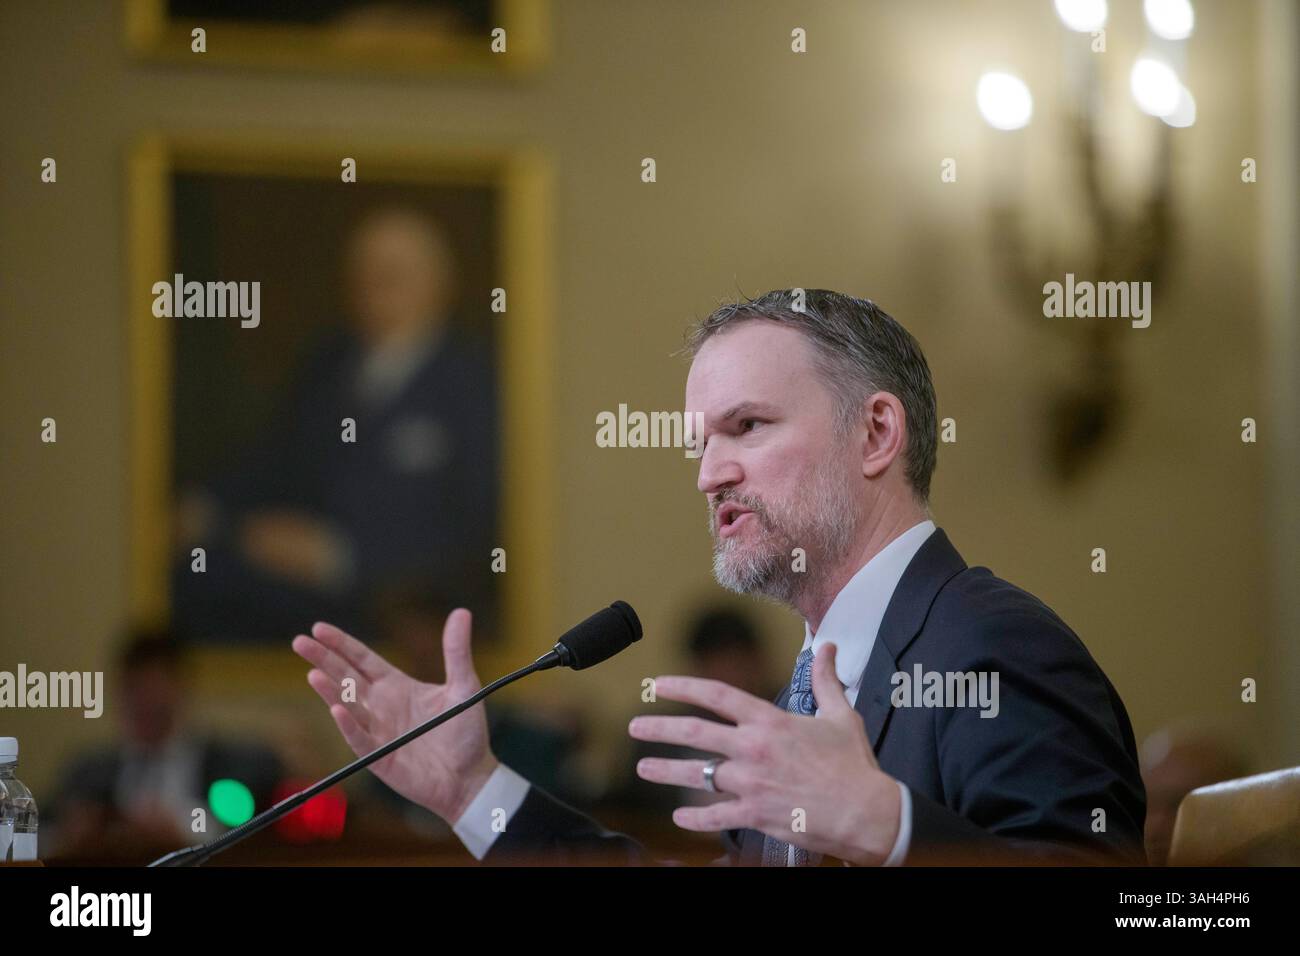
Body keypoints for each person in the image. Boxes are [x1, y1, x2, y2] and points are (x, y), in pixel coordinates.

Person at [292, 289, 1147, 866]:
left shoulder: (991, 645)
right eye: (702, 444)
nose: (710, 475)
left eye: (747, 427)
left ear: (877, 433)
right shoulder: (816, 687)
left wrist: (888, 828)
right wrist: (472, 791)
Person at [174, 207, 498, 643]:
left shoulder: (472, 382)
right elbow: (274, 459)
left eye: (393, 273)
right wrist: (209, 505)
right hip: (290, 588)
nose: (374, 284)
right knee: (202, 574)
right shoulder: (326, 366)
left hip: (400, 604)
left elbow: (474, 524)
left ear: (439, 283)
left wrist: (338, 557)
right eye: (364, 271)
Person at [49, 629, 284, 861]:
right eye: (134, 688)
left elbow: (248, 817)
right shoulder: (89, 772)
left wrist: (184, 827)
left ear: (181, 687)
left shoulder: (237, 764)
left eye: (154, 688)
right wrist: (73, 832)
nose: (144, 700)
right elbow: (41, 828)